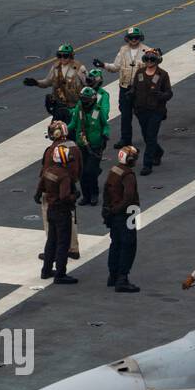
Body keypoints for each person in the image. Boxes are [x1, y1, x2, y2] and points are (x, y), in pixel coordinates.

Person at [94, 27, 148, 146]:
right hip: (124, 88)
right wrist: (103, 65)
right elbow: (116, 67)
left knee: (142, 116)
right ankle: (125, 140)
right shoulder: (123, 50)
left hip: (139, 90)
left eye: (136, 37)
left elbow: (153, 66)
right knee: (125, 116)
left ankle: (149, 139)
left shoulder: (147, 50)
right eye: (131, 38)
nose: (133, 40)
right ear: (127, 39)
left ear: (140, 38)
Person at [35, 144, 78, 284]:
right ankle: (60, 274)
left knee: (51, 241)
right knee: (62, 243)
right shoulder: (64, 175)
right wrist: (74, 196)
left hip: (50, 210)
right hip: (62, 211)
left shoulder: (48, 171)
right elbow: (65, 196)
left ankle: (46, 270)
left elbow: (40, 188)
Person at [39, 119, 81, 261]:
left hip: (53, 191)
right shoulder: (74, 146)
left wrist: (40, 190)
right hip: (70, 186)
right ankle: (73, 248)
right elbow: (80, 167)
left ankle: (53, 250)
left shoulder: (52, 150)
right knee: (71, 219)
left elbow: (46, 173)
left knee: (50, 221)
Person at [102, 144, 140, 293]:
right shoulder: (128, 175)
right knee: (129, 245)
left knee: (115, 244)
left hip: (113, 213)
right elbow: (129, 196)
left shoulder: (114, 170)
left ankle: (113, 275)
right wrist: (118, 210)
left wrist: (108, 210)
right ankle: (122, 279)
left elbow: (106, 190)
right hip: (128, 213)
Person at [131, 47, 172, 175]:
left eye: (152, 59)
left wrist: (160, 95)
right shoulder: (140, 73)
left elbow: (169, 93)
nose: (149, 61)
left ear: (157, 60)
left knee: (150, 136)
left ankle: (147, 164)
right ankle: (158, 151)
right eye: (147, 59)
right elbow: (134, 88)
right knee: (146, 136)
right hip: (141, 110)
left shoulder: (163, 75)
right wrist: (131, 93)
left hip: (156, 111)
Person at [67, 86, 109, 205]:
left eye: (86, 100)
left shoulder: (98, 110)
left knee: (91, 171)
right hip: (81, 145)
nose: (84, 102)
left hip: (95, 147)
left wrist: (105, 134)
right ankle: (86, 196)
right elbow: (73, 123)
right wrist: (63, 130)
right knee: (81, 172)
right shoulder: (78, 109)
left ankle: (94, 194)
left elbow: (106, 125)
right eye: (83, 99)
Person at [24, 43, 86, 121]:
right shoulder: (56, 68)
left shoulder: (79, 68)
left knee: (74, 130)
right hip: (60, 106)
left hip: (75, 107)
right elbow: (47, 82)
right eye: (59, 56)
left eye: (65, 56)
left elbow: (88, 86)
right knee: (55, 130)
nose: (62, 58)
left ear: (71, 56)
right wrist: (36, 82)